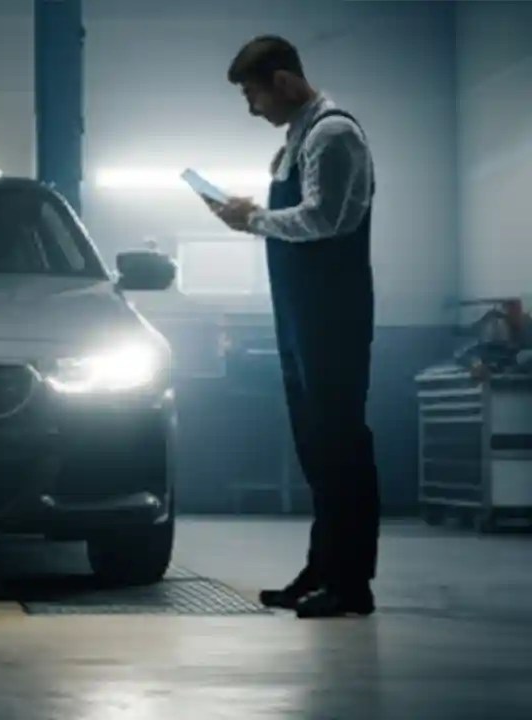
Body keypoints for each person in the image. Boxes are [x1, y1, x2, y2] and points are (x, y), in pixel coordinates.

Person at [207, 35, 380, 619]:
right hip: (301, 313)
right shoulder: (298, 141)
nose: (251, 108)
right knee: (316, 447)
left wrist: (254, 219)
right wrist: (252, 214)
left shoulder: (334, 133)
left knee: (341, 444)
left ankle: (352, 584)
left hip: (333, 314)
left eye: (252, 95)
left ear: (282, 82)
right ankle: (323, 568)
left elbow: (328, 218)